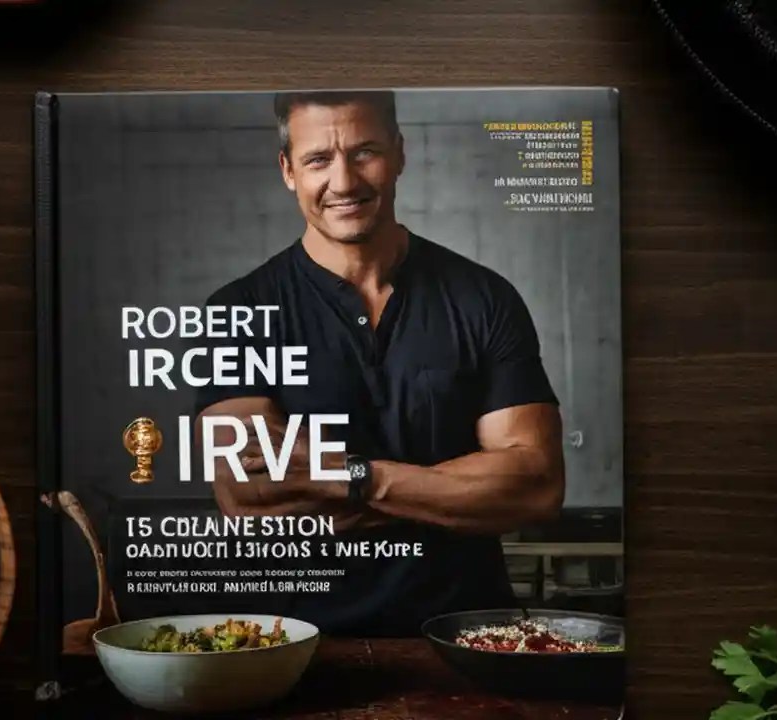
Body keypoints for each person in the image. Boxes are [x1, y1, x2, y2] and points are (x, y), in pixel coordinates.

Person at [193, 89, 564, 636]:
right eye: (318, 159)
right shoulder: (237, 310)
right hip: (296, 643)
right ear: (288, 171)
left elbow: (536, 485)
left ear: (399, 153)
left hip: (469, 636)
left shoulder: (484, 297)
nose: (343, 182)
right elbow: (250, 492)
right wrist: (453, 491)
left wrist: (358, 480)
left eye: (364, 152)